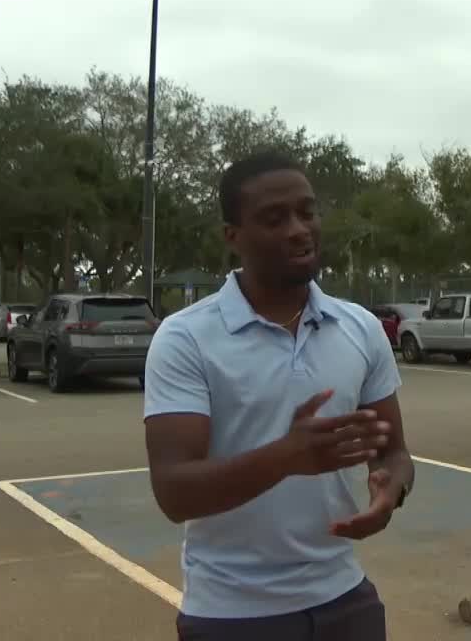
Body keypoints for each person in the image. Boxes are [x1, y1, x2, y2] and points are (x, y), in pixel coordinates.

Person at [142, 148, 415, 640]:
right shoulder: (186, 338)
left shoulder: (361, 328)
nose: (298, 229)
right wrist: (287, 456)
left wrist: (389, 492)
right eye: (274, 218)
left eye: (307, 212)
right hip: (231, 614)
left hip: (345, 602)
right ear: (233, 237)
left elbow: (394, 452)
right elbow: (174, 491)